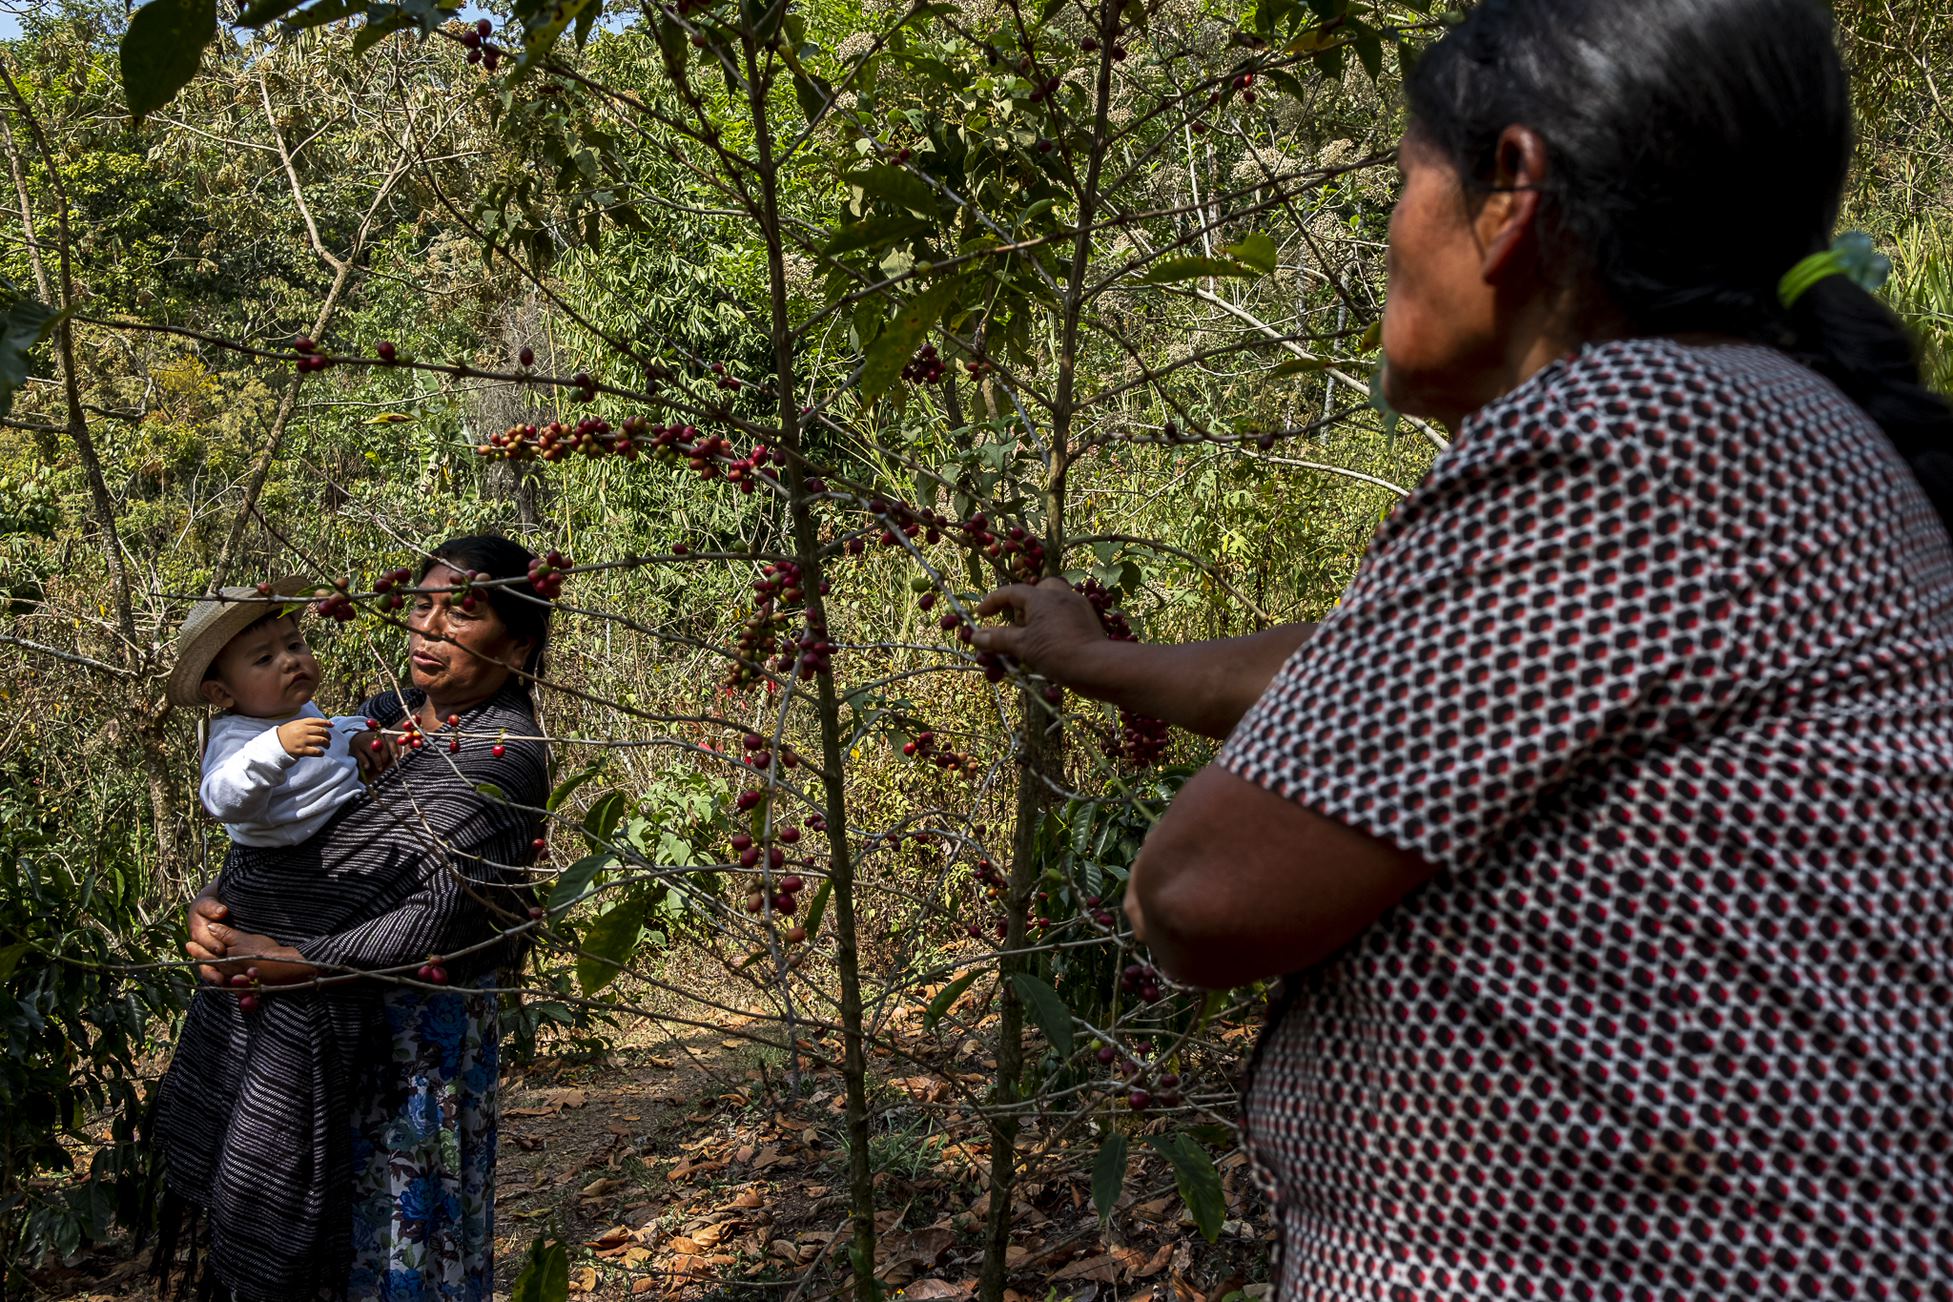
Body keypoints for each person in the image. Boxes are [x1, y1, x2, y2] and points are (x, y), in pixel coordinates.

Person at [975, 0, 1953, 1295]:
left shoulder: (1624, 430)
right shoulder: (1767, 434)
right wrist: (1099, 659)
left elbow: (1198, 897)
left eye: (1400, 180)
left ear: (1511, 189)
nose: (1390, 230)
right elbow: (1385, 684)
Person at [151, 535, 555, 1302]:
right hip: (300, 1019)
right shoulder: (380, 718)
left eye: (460, 614)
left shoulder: (503, 754)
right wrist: (214, 906)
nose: (429, 630)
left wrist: (294, 961)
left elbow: (431, 917)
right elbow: (278, 830)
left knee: (389, 1251)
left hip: (409, 1044)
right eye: (421, 608)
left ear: (520, 642)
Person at [167, 580, 379, 848]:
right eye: (264, 659)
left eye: (293, 645)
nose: (289, 661)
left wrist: (352, 736)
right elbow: (219, 798)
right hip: (303, 858)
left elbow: (327, 731)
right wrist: (275, 749)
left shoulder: (295, 710)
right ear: (221, 694)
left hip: (352, 822)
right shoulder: (235, 740)